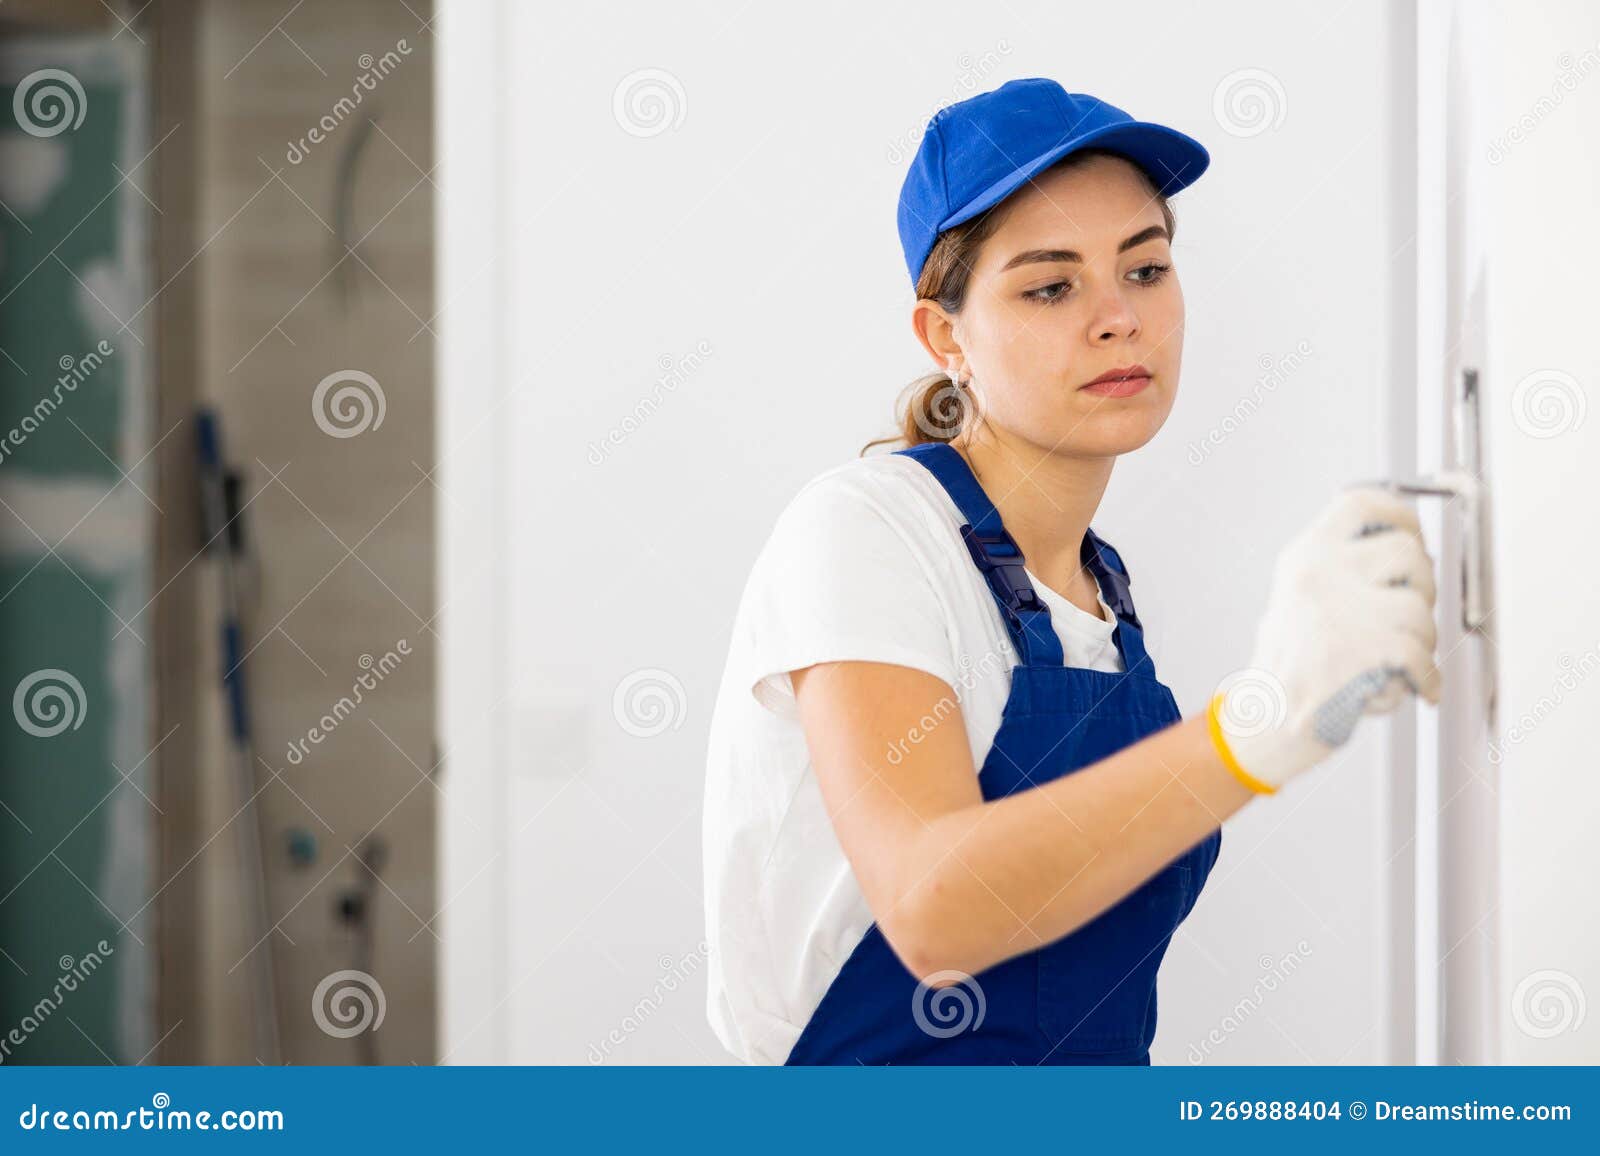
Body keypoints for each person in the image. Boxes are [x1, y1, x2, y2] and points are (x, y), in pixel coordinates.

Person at [700, 78, 1441, 1066]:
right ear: (947, 337)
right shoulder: (865, 530)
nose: (1118, 317)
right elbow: (932, 909)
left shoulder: (1102, 592)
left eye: (1145, 268)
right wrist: (1259, 725)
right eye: (1051, 287)